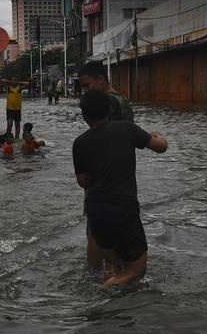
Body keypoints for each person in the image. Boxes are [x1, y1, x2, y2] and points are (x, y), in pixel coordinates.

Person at [72, 89, 168, 288]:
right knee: (137, 270)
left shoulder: (79, 143)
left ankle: (108, 293)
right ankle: (106, 288)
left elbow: (82, 181)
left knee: (115, 266)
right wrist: (159, 136)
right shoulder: (126, 128)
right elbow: (160, 147)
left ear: (84, 116)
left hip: (96, 211)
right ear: (108, 110)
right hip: (123, 208)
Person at [75, 61, 133, 269]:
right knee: (118, 231)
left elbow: (100, 139)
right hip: (124, 180)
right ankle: (118, 271)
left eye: (87, 85)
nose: (85, 92)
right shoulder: (122, 99)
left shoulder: (105, 102)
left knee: (95, 232)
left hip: (100, 179)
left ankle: (94, 276)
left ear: (101, 79)